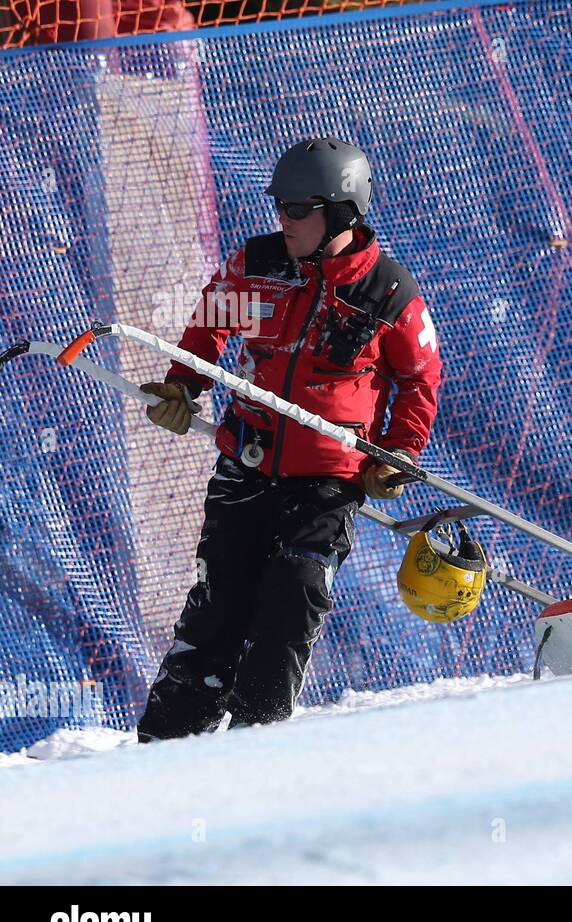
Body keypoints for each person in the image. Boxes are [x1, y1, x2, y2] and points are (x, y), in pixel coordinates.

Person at [135, 137, 443, 741]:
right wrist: (181, 386)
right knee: (217, 605)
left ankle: (258, 741)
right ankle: (167, 747)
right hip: (248, 462)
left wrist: (400, 455)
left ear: (342, 212)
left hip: (327, 481)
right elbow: (208, 327)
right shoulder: (259, 265)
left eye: (299, 209)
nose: (285, 220)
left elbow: (419, 379)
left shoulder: (386, 291)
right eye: (280, 206)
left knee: (294, 595)